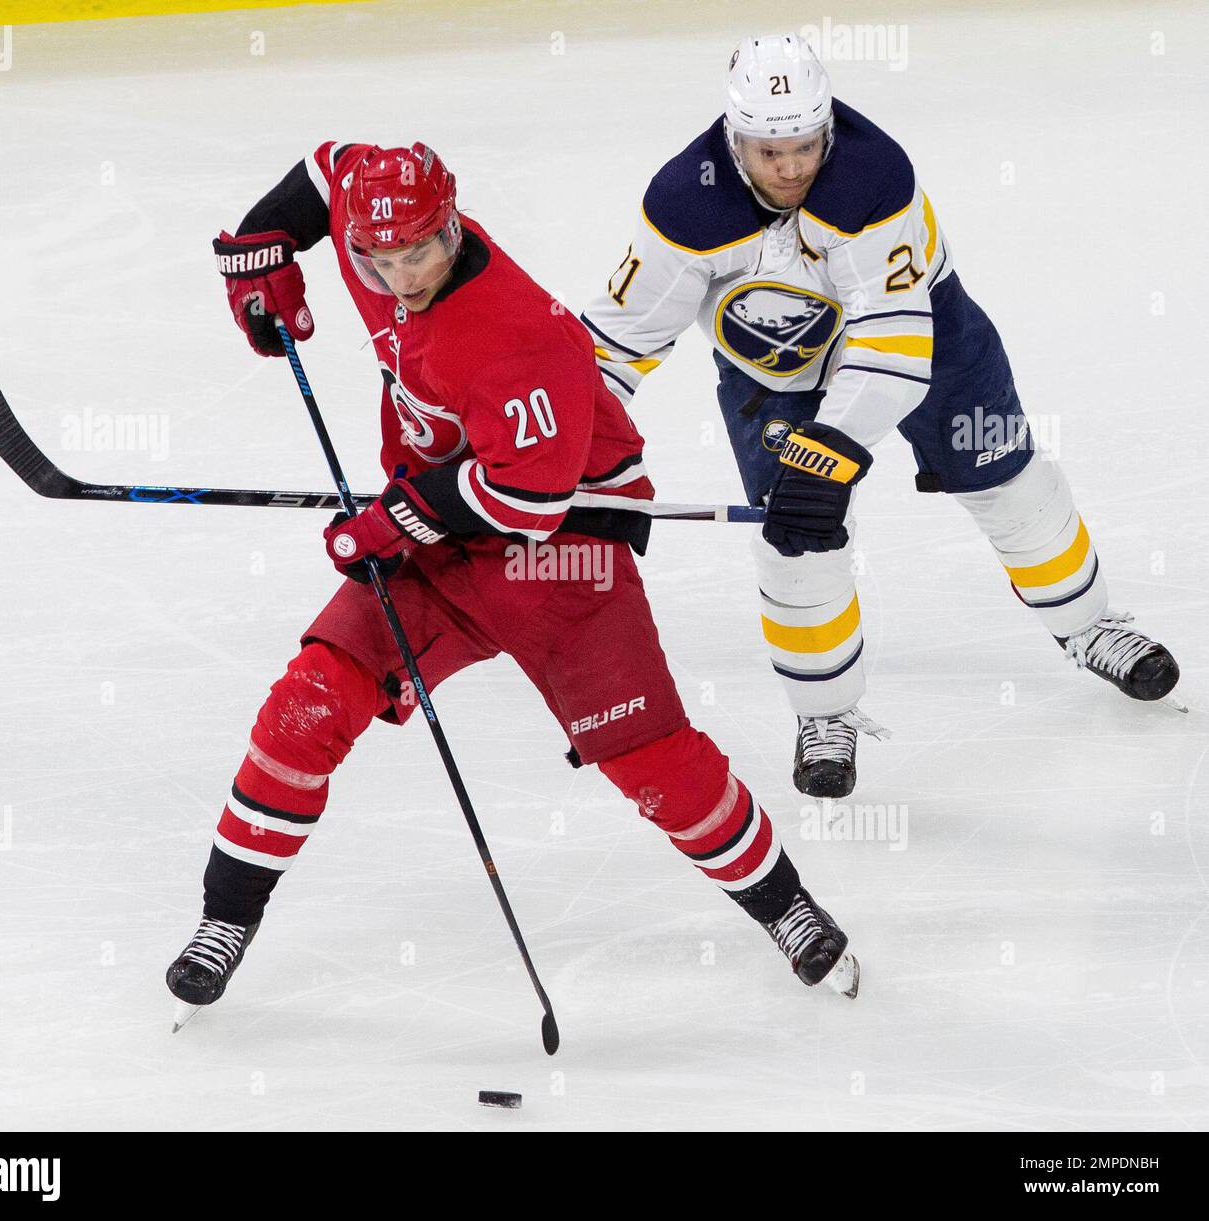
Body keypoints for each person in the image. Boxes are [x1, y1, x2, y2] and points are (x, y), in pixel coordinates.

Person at [167, 140, 861, 1019]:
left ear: (450, 222)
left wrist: (391, 521)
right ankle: (224, 919)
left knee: (650, 757)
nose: (400, 277)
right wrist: (261, 252)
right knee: (310, 698)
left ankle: (786, 907)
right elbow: (329, 165)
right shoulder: (381, 234)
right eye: (378, 262)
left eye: (417, 252)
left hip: (562, 554)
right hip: (443, 541)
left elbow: (524, 502)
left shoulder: (516, 335)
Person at [581, 33, 1180, 799]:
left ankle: (1089, 622)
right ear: (734, 139)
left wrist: (827, 451)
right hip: (772, 368)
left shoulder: (873, 173)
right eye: (769, 150)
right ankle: (825, 712)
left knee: (1005, 478)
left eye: (803, 143)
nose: (790, 165)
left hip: (930, 330)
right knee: (797, 538)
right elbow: (613, 347)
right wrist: (566, 456)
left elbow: (892, 340)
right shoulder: (682, 204)